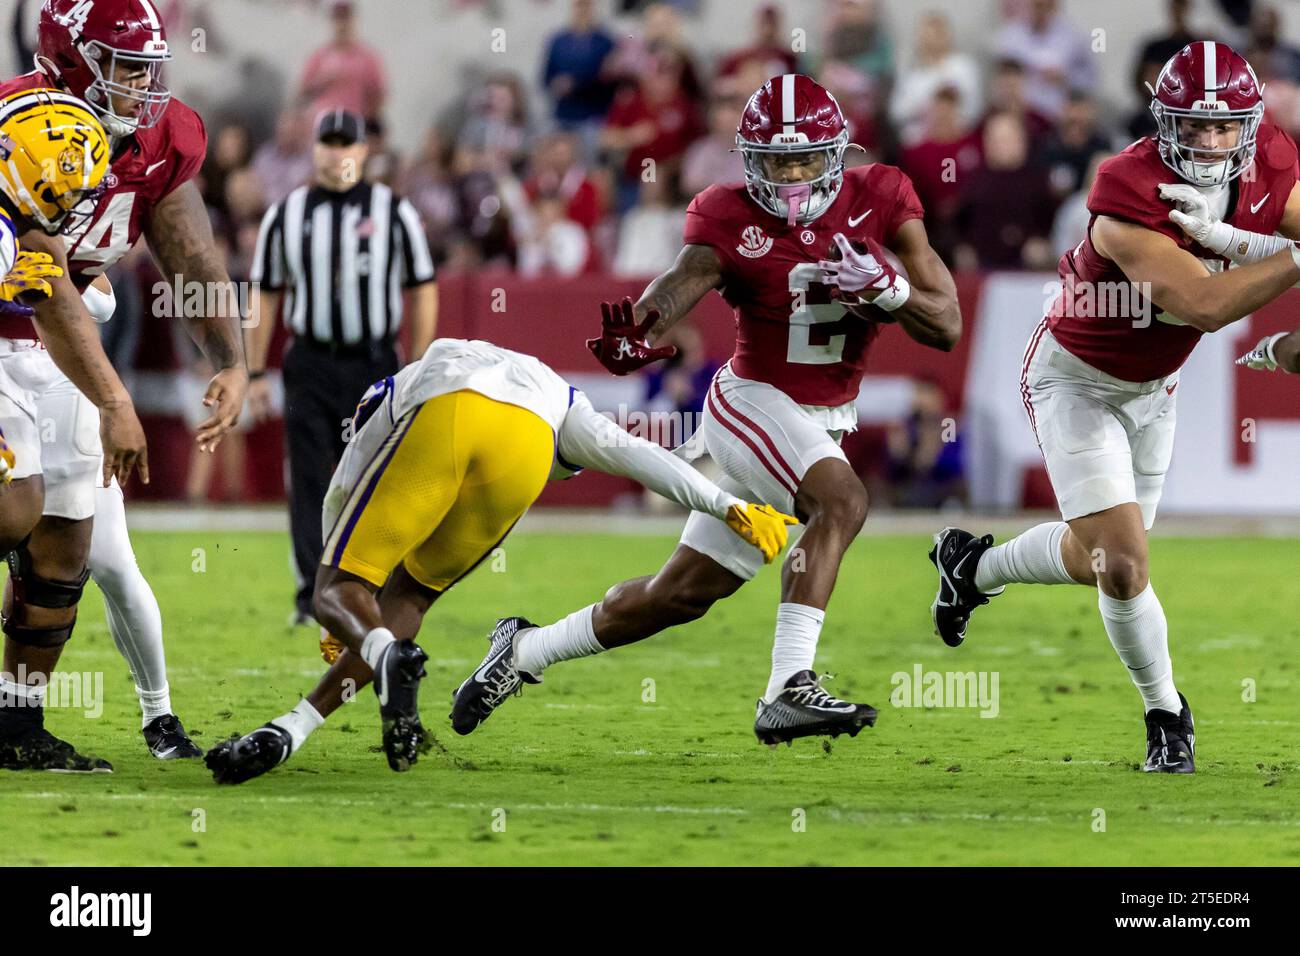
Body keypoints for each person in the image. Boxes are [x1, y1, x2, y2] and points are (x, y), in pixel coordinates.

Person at [450, 75, 962, 747]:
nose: (792, 175)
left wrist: (891, 291)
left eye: (806, 159)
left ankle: (521, 652)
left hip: (820, 418)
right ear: (749, 160)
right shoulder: (728, 213)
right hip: (753, 403)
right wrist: (642, 325)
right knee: (841, 503)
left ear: (838, 154)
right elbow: (684, 277)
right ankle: (788, 688)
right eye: (776, 162)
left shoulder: (884, 196)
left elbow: (946, 322)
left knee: (679, 595)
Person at [929, 42, 1300, 775]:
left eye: (1225, 127)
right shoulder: (1128, 185)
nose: (1211, 141)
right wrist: (1287, 259)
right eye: (1193, 126)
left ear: (1251, 125)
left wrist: (1243, 249)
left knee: (1095, 555)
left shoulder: (1274, 164)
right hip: (1078, 379)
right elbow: (1201, 304)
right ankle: (1167, 714)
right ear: (1163, 123)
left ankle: (973, 569)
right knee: (1124, 565)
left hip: (1155, 389)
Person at [205, 338, 795, 783]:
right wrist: (726, 504)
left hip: (447, 411)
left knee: (335, 588)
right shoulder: (563, 400)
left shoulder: (397, 386)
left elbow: (340, 496)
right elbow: (633, 453)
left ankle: (381, 657)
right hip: (525, 453)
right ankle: (292, 728)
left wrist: (346, 608)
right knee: (411, 598)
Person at [0, 0, 248, 772]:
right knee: (14, 508)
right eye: (123, 63)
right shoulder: (24, 126)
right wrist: (116, 400)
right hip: (13, 322)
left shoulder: (161, 136)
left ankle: (15, 725)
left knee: (68, 535)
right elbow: (45, 288)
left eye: (148, 64)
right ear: (71, 58)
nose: (144, 83)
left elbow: (190, 250)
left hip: (67, 336)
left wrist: (232, 358)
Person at [246, 109, 437, 627]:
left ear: (363, 151)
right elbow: (265, 292)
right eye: (327, 143)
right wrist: (256, 372)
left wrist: (418, 362)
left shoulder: (393, 211)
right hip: (309, 360)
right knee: (308, 481)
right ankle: (313, 597)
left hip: (374, 363)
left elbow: (422, 286)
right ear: (315, 150)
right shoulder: (286, 214)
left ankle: (373, 589)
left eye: (345, 144)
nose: (336, 153)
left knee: (377, 482)